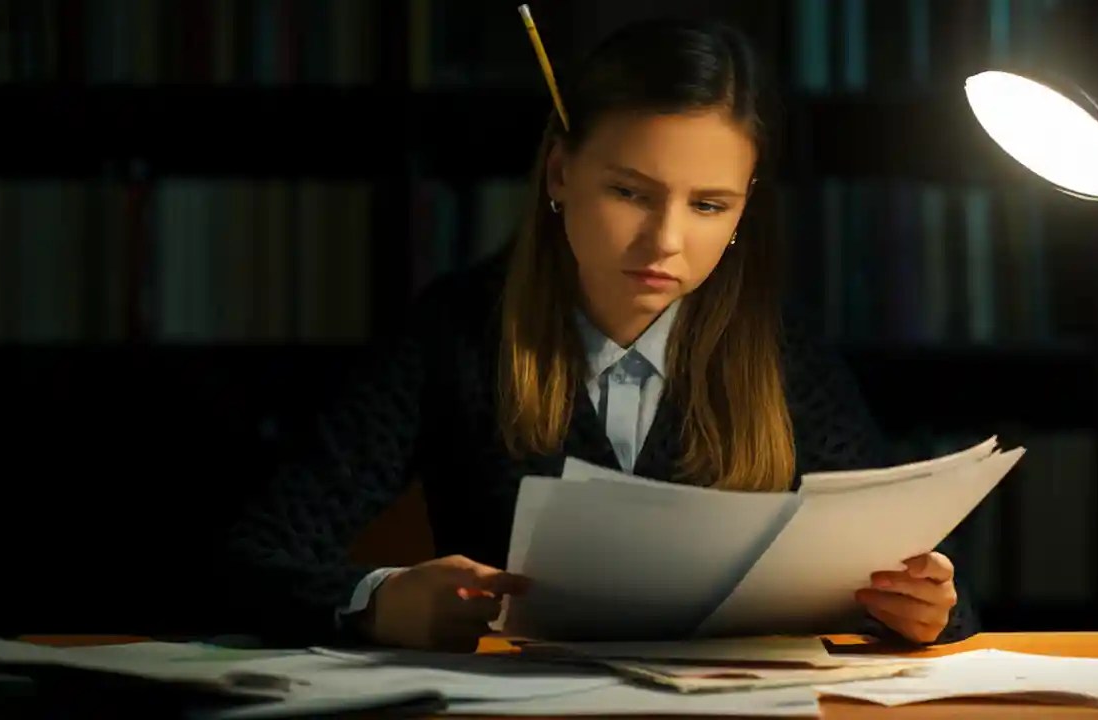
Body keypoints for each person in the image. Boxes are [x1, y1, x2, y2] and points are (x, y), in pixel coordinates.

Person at [221, 17, 978, 653]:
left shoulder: (780, 354)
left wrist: (923, 610)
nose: (665, 241)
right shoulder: (457, 333)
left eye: (709, 205)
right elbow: (251, 559)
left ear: (746, 205)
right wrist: (377, 601)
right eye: (629, 192)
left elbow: (939, 599)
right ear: (558, 172)